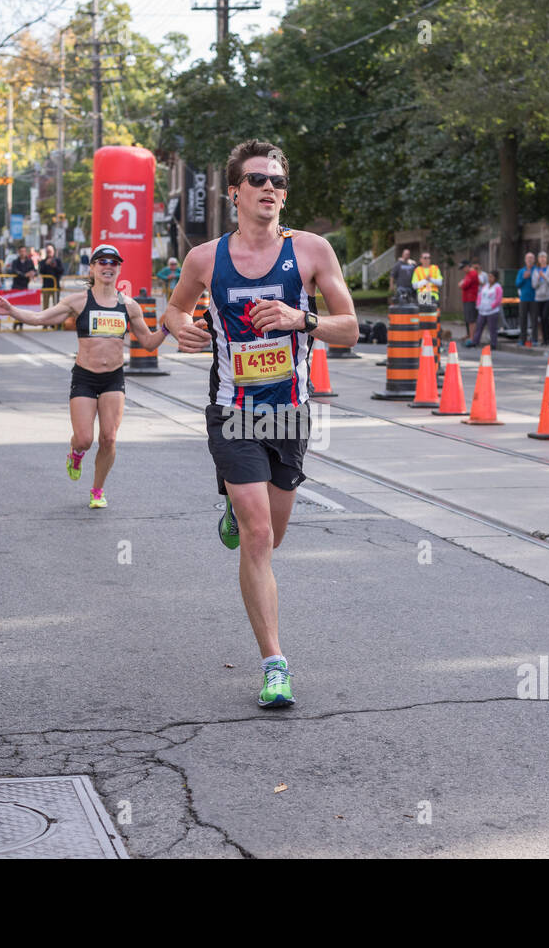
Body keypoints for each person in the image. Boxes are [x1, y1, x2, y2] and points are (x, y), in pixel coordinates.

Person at [160, 139, 358, 708]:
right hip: (233, 410)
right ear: (234, 193)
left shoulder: (314, 251)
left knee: (273, 535)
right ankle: (275, 663)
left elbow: (350, 328)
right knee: (258, 534)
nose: (270, 189)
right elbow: (173, 308)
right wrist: (179, 324)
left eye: (278, 181)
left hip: (289, 411)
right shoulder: (205, 259)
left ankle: (235, 505)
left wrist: (302, 318)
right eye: (257, 180)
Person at [0, 243, 166, 508]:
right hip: (85, 376)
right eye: (102, 261)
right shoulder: (78, 301)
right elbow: (40, 318)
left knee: (109, 438)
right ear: (92, 268)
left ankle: (97, 490)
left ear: (119, 269)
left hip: (113, 378)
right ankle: (76, 452)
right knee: (84, 438)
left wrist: (167, 328)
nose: (108, 266)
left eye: (113, 262)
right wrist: (12, 311)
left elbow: (150, 344)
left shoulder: (129, 306)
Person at [6, 243, 37, 332]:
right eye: (21, 251)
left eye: (24, 251)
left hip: (25, 286)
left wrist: (33, 273)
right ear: (18, 252)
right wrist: (24, 275)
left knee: (23, 306)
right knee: (16, 306)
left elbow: (34, 270)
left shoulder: (29, 261)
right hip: (16, 285)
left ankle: (21, 322)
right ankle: (16, 321)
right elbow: (14, 271)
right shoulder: (15, 261)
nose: (22, 253)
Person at [531, 251, 549, 346]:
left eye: (544, 257)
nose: (542, 259)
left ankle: (548, 339)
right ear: (538, 259)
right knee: (541, 318)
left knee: (546, 316)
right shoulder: (536, 270)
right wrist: (539, 278)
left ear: (547, 259)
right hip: (539, 298)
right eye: (540, 257)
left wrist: (545, 276)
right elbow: (534, 285)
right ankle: (544, 339)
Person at [473, 270, 502, 348]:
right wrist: (478, 304)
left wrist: (491, 306)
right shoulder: (485, 286)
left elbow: (498, 299)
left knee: (492, 328)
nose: (489, 278)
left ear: (495, 278)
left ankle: (493, 344)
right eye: (489, 276)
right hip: (482, 310)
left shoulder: (497, 287)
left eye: (491, 277)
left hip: (492, 311)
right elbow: (480, 295)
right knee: (479, 326)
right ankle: (475, 341)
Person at [515, 251, 536, 346]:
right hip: (523, 298)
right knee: (523, 319)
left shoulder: (536, 270)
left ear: (534, 260)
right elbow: (517, 284)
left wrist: (532, 277)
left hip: (535, 299)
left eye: (531, 258)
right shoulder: (521, 271)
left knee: (534, 319)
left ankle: (534, 339)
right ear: (525, 260)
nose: (529, 260)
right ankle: (522, 339)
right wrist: (524, 278)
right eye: (528, 258)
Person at [460, 261, 481, 346]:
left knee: (471, 320)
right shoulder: (468, 274)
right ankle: (470, 336)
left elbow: (464, 285)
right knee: (468, 319)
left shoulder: (472, 273)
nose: (463, 270)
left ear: (467, 266)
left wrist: (461, 284)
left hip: (471, 299)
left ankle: (472, 338)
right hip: (467, 299)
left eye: (463, 268)